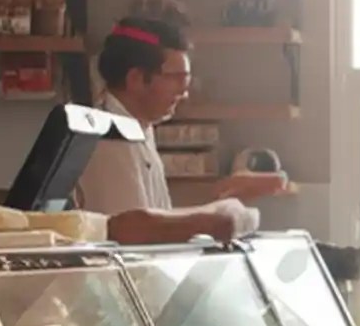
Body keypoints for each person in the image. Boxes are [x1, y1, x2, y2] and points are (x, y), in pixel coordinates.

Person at [75, 16, 282, 227]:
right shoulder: (108, 139)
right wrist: (224, 213)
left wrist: (229, 199)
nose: (184, 94)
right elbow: (134, 232)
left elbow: (158, 218)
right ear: (135, 79)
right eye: (176, 79)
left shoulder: (138, 128)